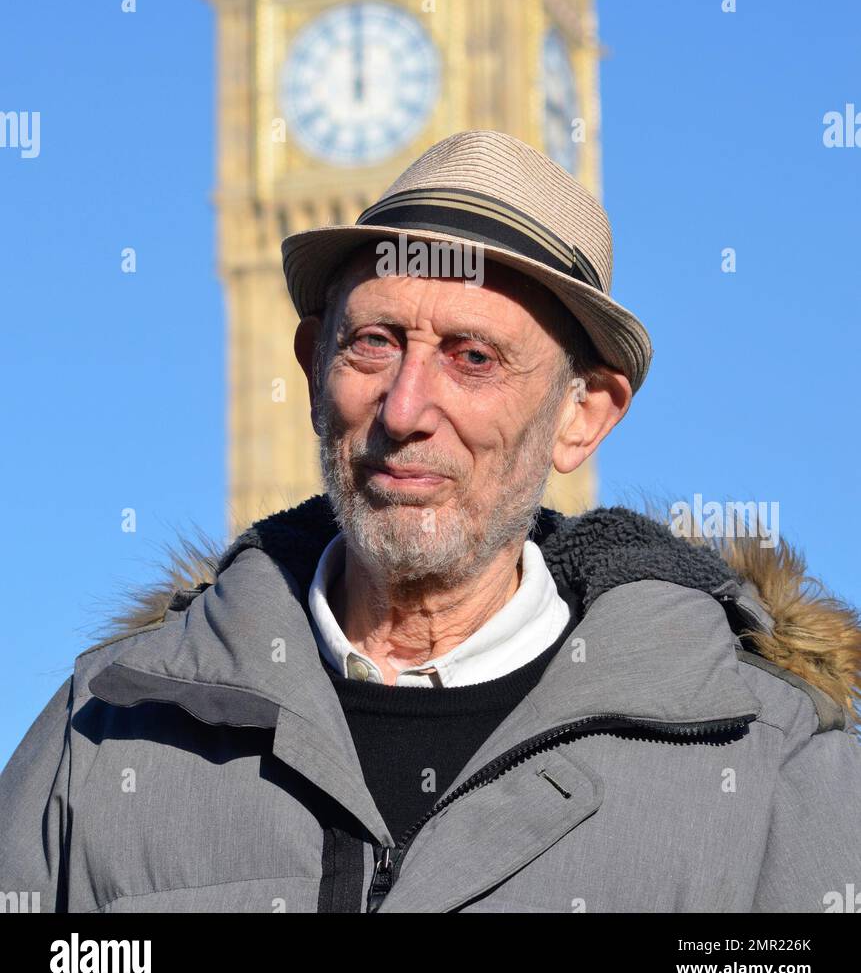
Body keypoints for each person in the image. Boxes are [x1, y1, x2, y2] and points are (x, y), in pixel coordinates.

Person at [1, 129, 859, 914]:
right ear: (311, 371)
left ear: (582, 416)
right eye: (373, 343)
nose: (405, 407)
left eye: (473, 358)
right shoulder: (112, 727)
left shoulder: (766, 760)